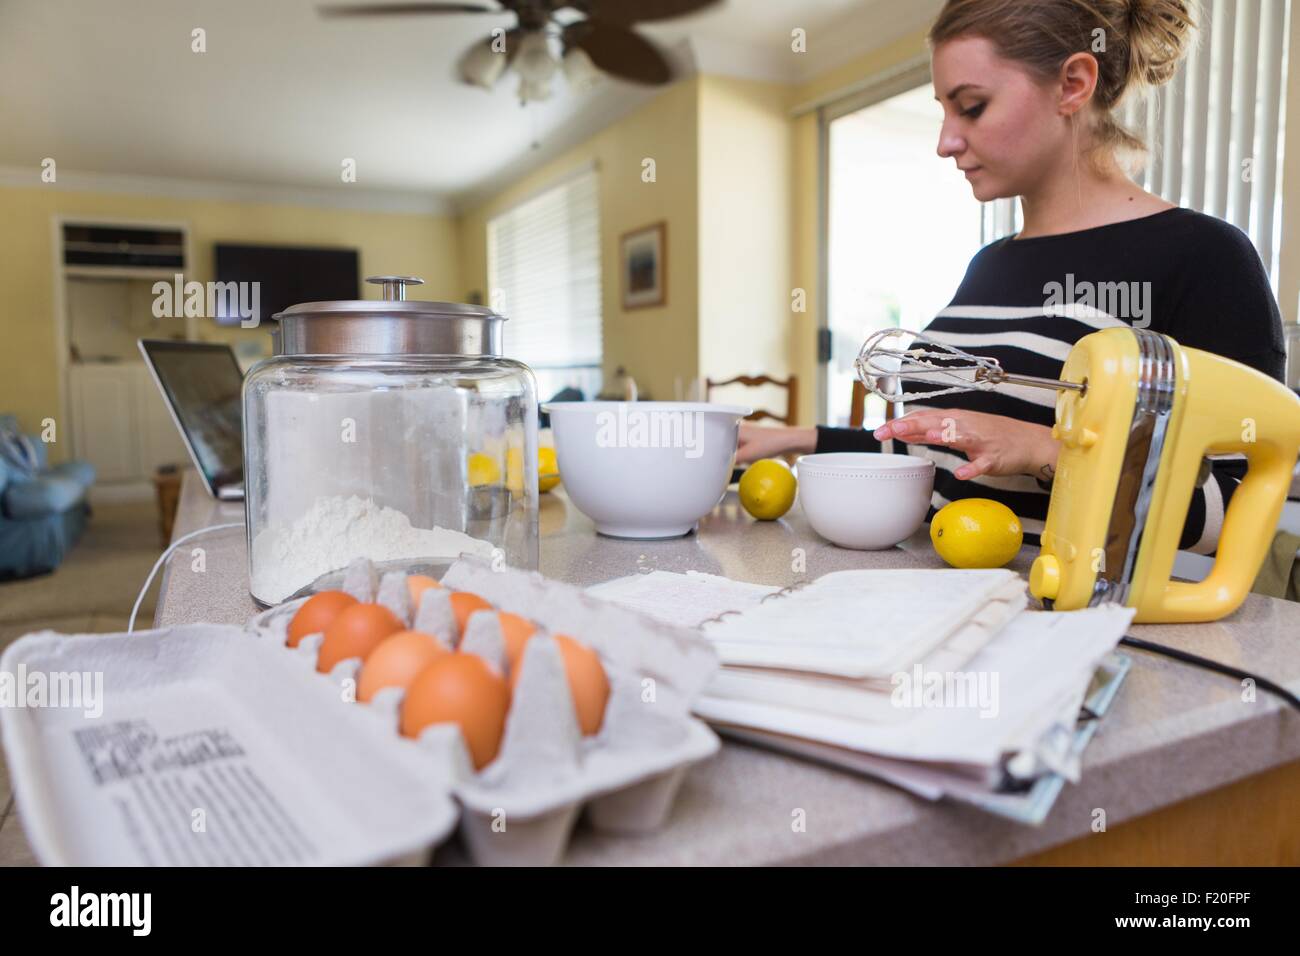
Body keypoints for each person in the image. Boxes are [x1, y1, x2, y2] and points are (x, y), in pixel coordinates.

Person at [738, 0, 1286, 551]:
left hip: (1060, 622)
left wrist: (1049, 452)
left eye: (971, 107)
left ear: (1073, 84)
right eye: (944, 111)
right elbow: (943, 455)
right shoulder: (991, 263)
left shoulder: (1203, 257)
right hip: (926, 600)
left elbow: (1241, 511)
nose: (945, 141)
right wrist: (793, 437)